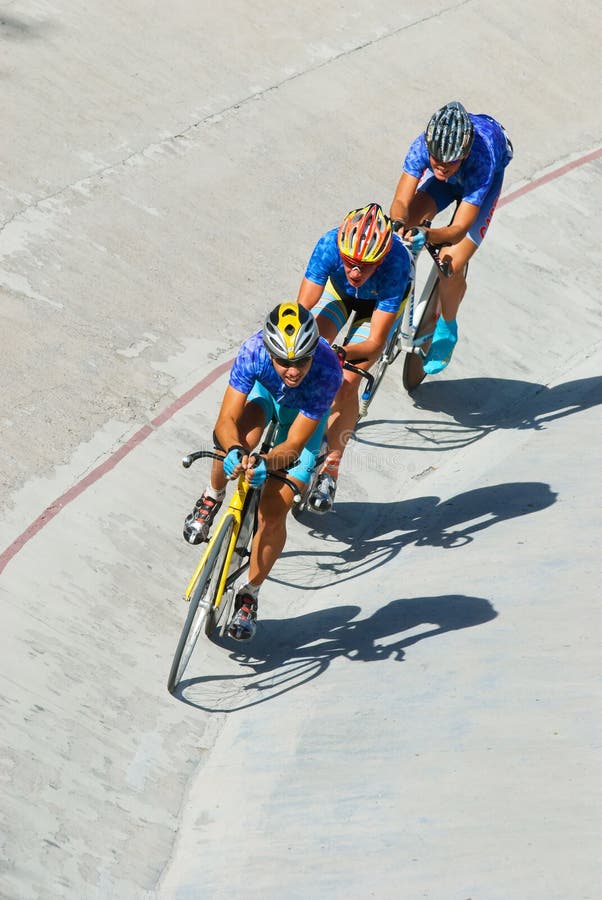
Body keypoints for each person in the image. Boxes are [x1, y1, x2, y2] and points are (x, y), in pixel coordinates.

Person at [183, 301, 342, 641]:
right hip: (267, 397)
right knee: (231, 440)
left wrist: (266, 463)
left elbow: (293, 446)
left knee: (273, 511)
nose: (293, 371)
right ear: (269, 352)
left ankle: (250, 593)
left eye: (301, 361)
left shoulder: (327, 370)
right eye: (284, 361)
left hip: (301, 424)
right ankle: (212, 496)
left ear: (313, 354)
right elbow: (225, 419)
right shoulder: (253, 351)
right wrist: (235, 451)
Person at [297, 202, 414, 513]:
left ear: (382, 259)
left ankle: (331, 468)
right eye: (349, 263)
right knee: (306, 350)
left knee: (347, 382)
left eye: (365, 265)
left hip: (375, 310)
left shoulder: (396, 264)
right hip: (339, 295)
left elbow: (374, 343)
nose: (356, 272)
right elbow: (302, 309)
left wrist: (342, 353)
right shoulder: (328, 244)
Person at [390, 100, 513, 374]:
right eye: (437, 160)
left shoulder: (480, 162)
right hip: (449, 183)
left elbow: (458, 229)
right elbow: (400, 202)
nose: (442, 167)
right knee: (404, 225)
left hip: (481, 183)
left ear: (464, 154)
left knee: (450, 263)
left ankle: (447, 327)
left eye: (450, 162)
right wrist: (399, 223)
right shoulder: (423, 146)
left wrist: (428, 234)